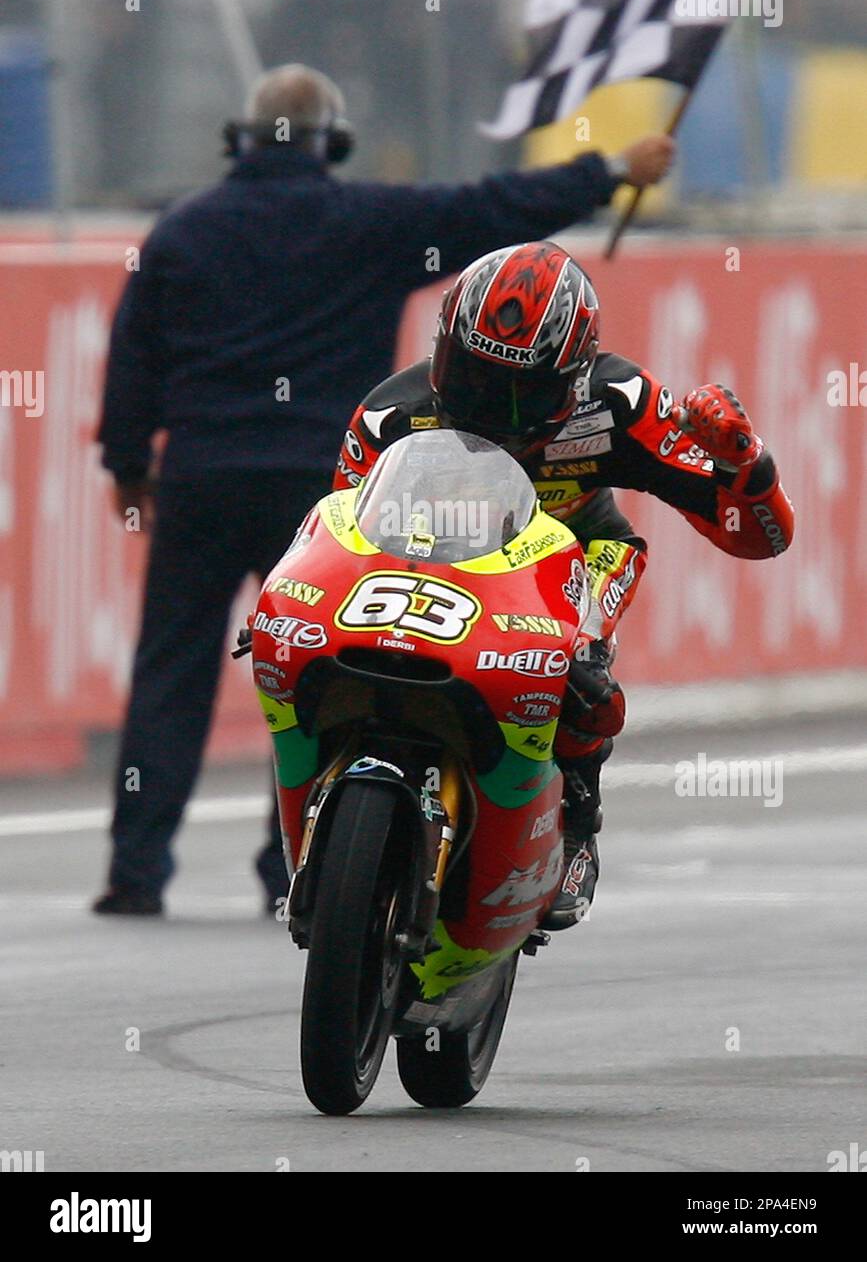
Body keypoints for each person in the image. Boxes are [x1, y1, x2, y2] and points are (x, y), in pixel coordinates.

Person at [93, 64, 676, 916]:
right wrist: (609, 170)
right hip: (332, 484)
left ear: (240, 139)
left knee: (172, 671)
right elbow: (491, 208)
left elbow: (130, 358)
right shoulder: (365, 220)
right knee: (325, 665)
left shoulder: (181, 231)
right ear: (332, 142)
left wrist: (123, 463)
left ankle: (135, 873)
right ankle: (294, 867)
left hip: (201, 479)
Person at [333, 240, 795, 929]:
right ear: (442, 349)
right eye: (473, 378)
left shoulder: (623, 403)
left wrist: (743, 463)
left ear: (573, 378)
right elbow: (331, 538)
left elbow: (759, 537)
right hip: (426, 567)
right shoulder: (387, 418)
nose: (491, 408)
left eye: (523, 392)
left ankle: (577, 812)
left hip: (573, 557)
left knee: (579, 671)